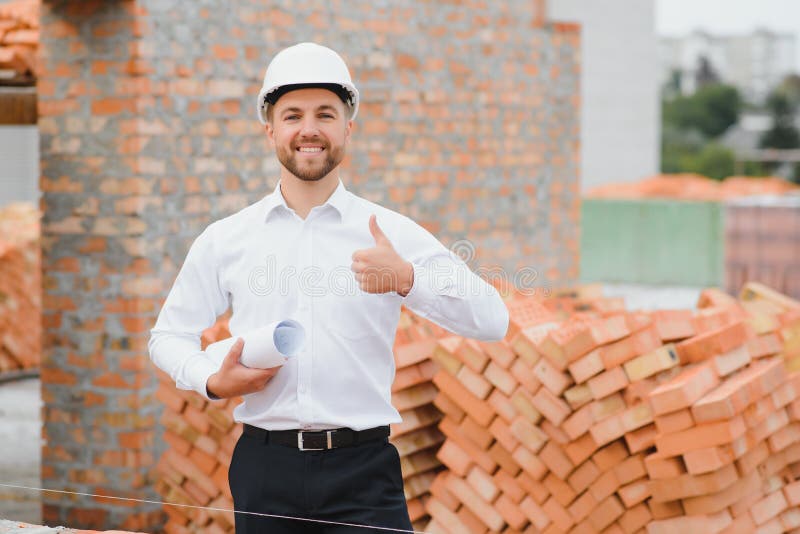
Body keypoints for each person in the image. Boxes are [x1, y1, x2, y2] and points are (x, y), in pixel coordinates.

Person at [149, 42, 509, 533]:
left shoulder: (388, 232)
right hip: (264, 469)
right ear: (270, 128)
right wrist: (209, 380)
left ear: (348, 128)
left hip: (364, 474)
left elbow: (492, 319)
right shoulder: (227, 238)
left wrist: (407, 279)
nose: (309, 129)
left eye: (326, 114)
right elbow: (168, 336)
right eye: (293, 115)